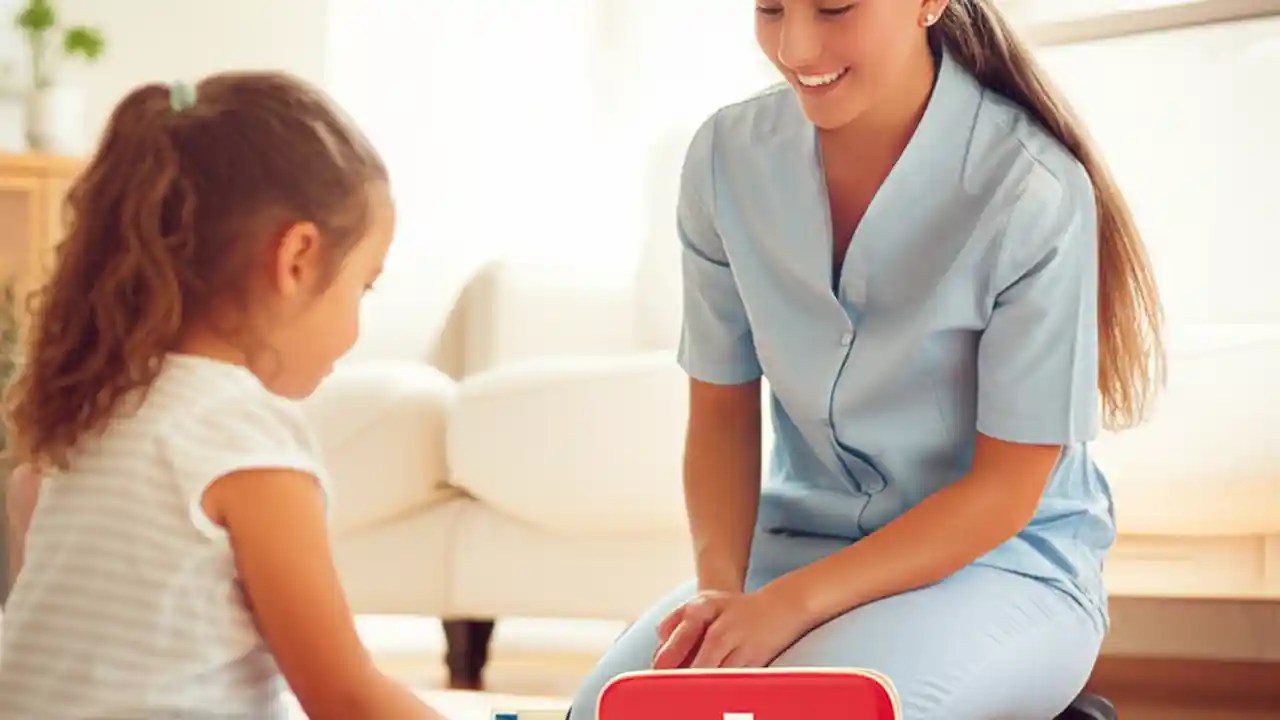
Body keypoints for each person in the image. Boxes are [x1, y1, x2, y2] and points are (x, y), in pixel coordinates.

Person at [570, 1, 1164, 718]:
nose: (795, 46)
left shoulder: (1031, 188)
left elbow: (1005, 491)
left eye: (834, 8)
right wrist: (721, 592)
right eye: (770, 8)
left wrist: (790, 608)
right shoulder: (726, 159)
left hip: (1003, 565)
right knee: (613, 709)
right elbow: (722, 415)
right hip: (796, 547)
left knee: (823, 713)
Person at [0, 73, 446, 720]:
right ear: (297, 257)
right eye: (364, 287)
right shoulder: (243, 438)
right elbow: (345, 698)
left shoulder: (85, 417)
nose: (357, 318)